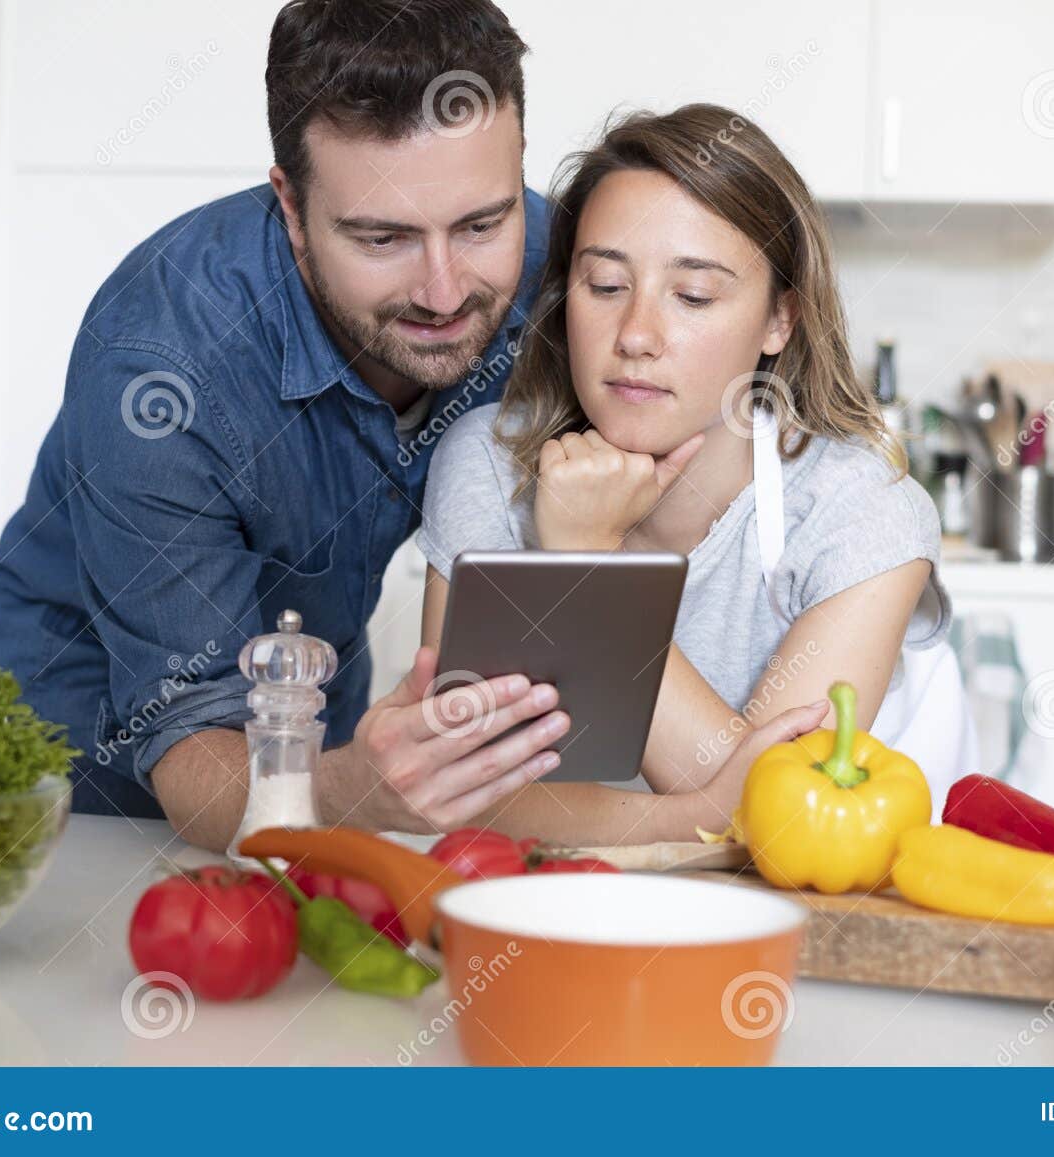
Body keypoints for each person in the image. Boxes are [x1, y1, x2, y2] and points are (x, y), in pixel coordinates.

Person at [0, 0, 589, 848]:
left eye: (482, 223)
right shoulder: (159, 371)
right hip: (108, 741)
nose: (446, 292)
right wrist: (356, 785)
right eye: (382, 238)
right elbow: (196, 751)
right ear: (292, 211)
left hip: (317, 681)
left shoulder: (559, 265)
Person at [417, 104, 978, 845]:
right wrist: (693, 817)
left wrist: (593, 561)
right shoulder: (489, 468)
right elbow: (462, 792)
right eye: (606, 286)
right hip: (564, 912)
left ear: (780, 320)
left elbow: (786, 815)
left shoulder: (860, 511)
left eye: (693, 296)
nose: (637, 337)